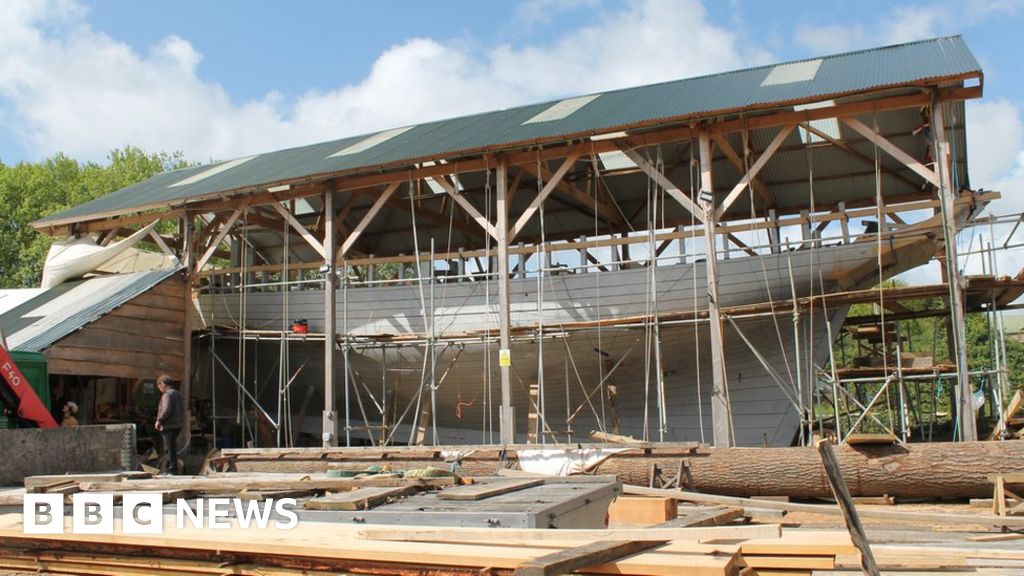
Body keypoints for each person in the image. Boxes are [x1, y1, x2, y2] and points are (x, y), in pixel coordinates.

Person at [154, 374, 184, 475]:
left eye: (159, 387)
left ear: (163, 384)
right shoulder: (178, 394)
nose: (160, 390)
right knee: (171, 448)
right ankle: (168, 469)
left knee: (169, 449)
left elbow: (166, 409)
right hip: (178, 425)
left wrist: (159, 420)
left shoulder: (167, 395)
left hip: (169, 425)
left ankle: (172, 470)